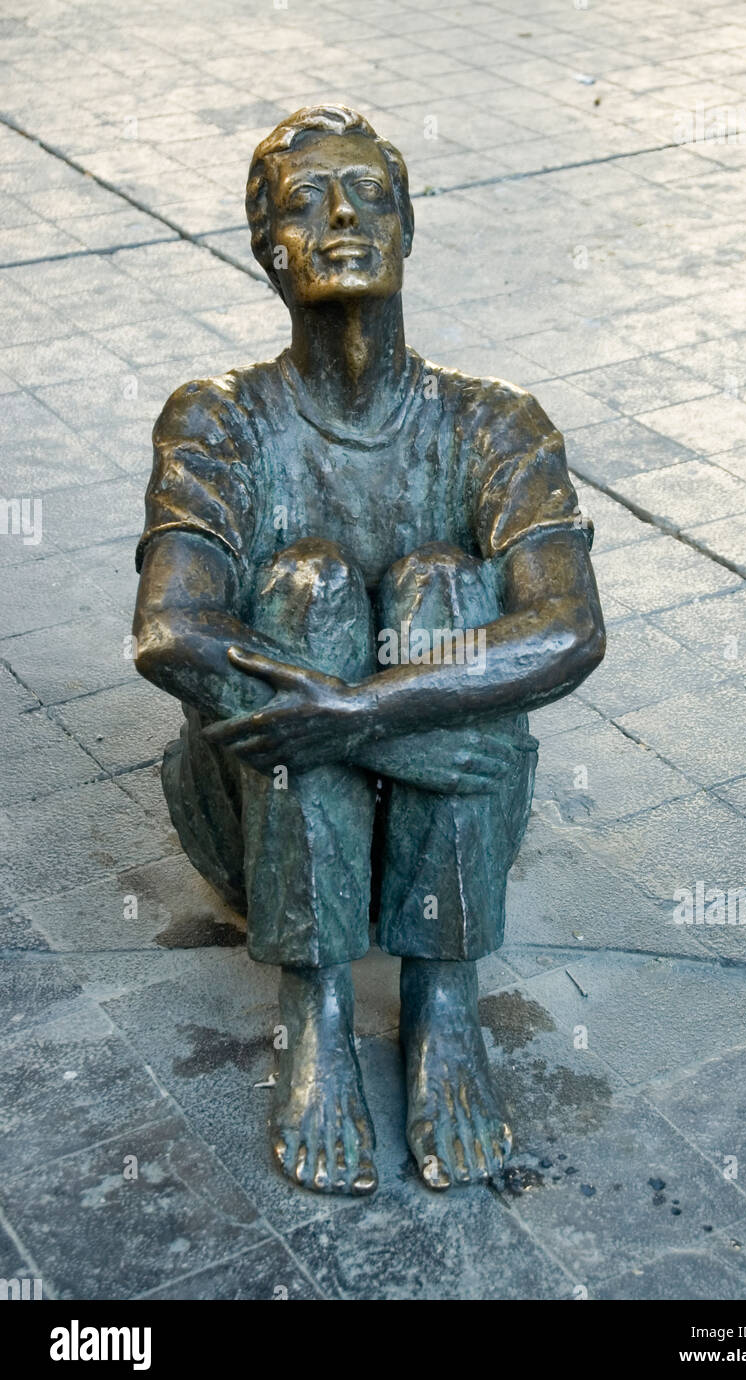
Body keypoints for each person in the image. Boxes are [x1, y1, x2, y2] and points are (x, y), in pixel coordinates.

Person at [133, 105, 605, 1196]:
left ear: (407, 225)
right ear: (268, 249)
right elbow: (174, 628)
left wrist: (360, 718)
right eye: (305, 203)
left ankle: (445, 1002)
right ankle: (320, 1006)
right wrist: (402, 729)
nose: (342, 217)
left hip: (388, 776)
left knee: (443, 579)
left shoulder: (494, 421)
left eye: (369, 194)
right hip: (263, 804)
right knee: (307, 584)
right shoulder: (217, 419)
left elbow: (569, 625)